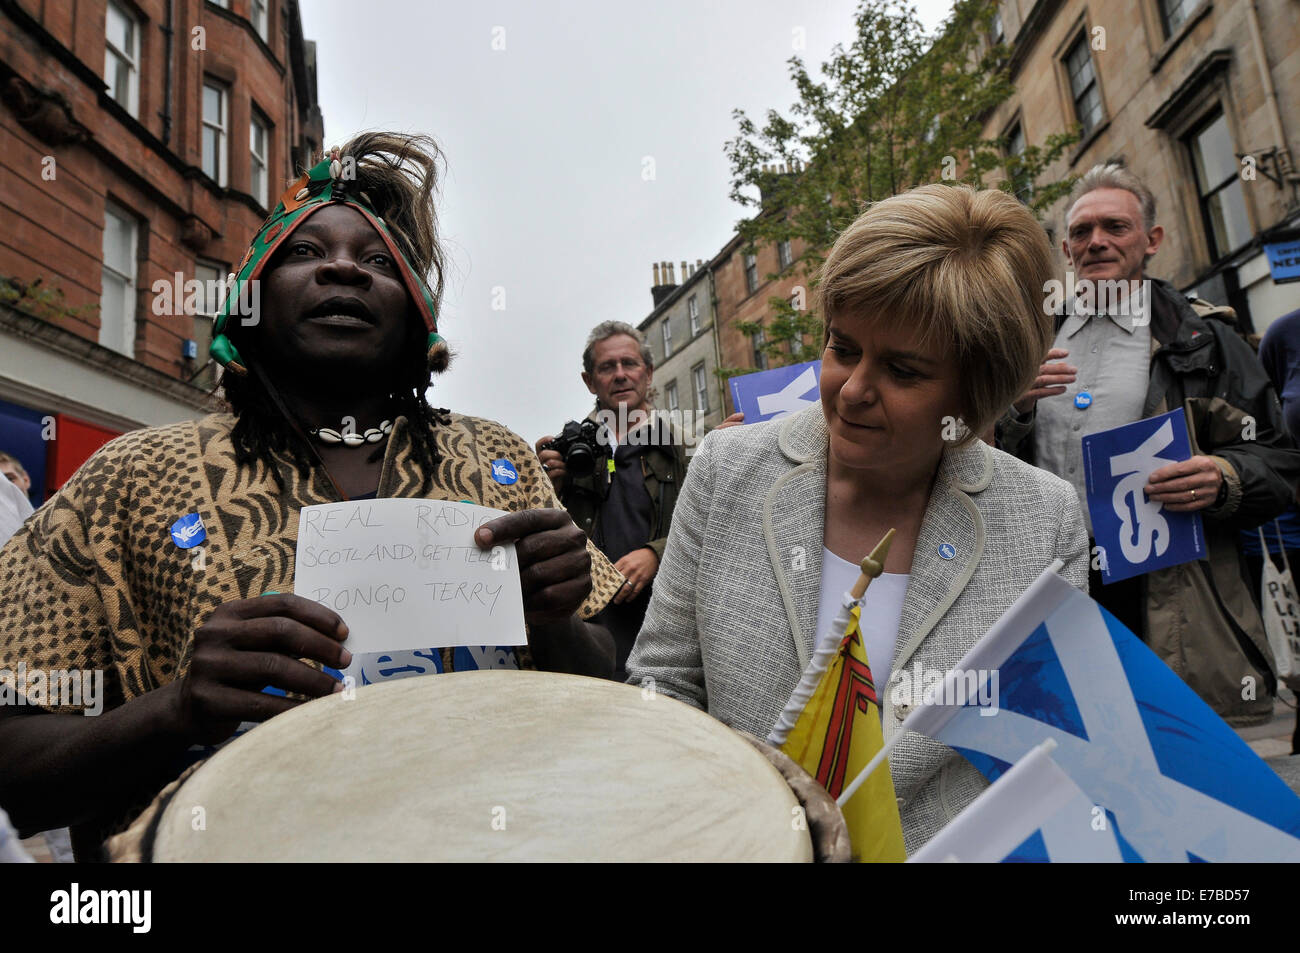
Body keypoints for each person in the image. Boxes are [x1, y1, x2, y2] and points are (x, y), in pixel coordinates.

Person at [0, 133, 622, 860]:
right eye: (304, 251)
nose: (341, 268)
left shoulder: (500, 458)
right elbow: (14, 765)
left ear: (419, 319)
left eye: (378, 261)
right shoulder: (129, 479)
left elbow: (607, 687)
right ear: (249, 304)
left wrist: (551, 621)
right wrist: (173, 709)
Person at [626, 184, 1090, 854]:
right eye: (843, 347)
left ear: (977, 387)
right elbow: (661, 685)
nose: (852, 388)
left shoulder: (1046, 519)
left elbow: (1049, 747)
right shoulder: (727, 467)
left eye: (903, 370)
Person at [997, 163, 1300, 727]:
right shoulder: (1029, 341)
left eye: (1115, 226)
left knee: (1178, 758)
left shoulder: (1204, 338)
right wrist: (1010, 410)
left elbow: (1280, 462)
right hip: (1055, 589)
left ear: (1151, 240)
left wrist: (1224, 476)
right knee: (1075, 759)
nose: (1097, 242)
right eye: (1082, 232)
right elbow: (978, 467)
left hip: (1165, 593)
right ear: (1066, 249)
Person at [536, 322, 691, 679]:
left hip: (667, 625)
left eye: (630, 364)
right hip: (592, 630)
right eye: (607, 367)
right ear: (590, 381)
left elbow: (713, 527)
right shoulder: (568, 450)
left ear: (648, 373)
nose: (620, 375)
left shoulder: (685, 444)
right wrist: (546, 488)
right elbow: (543, 542)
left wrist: (657, 553)